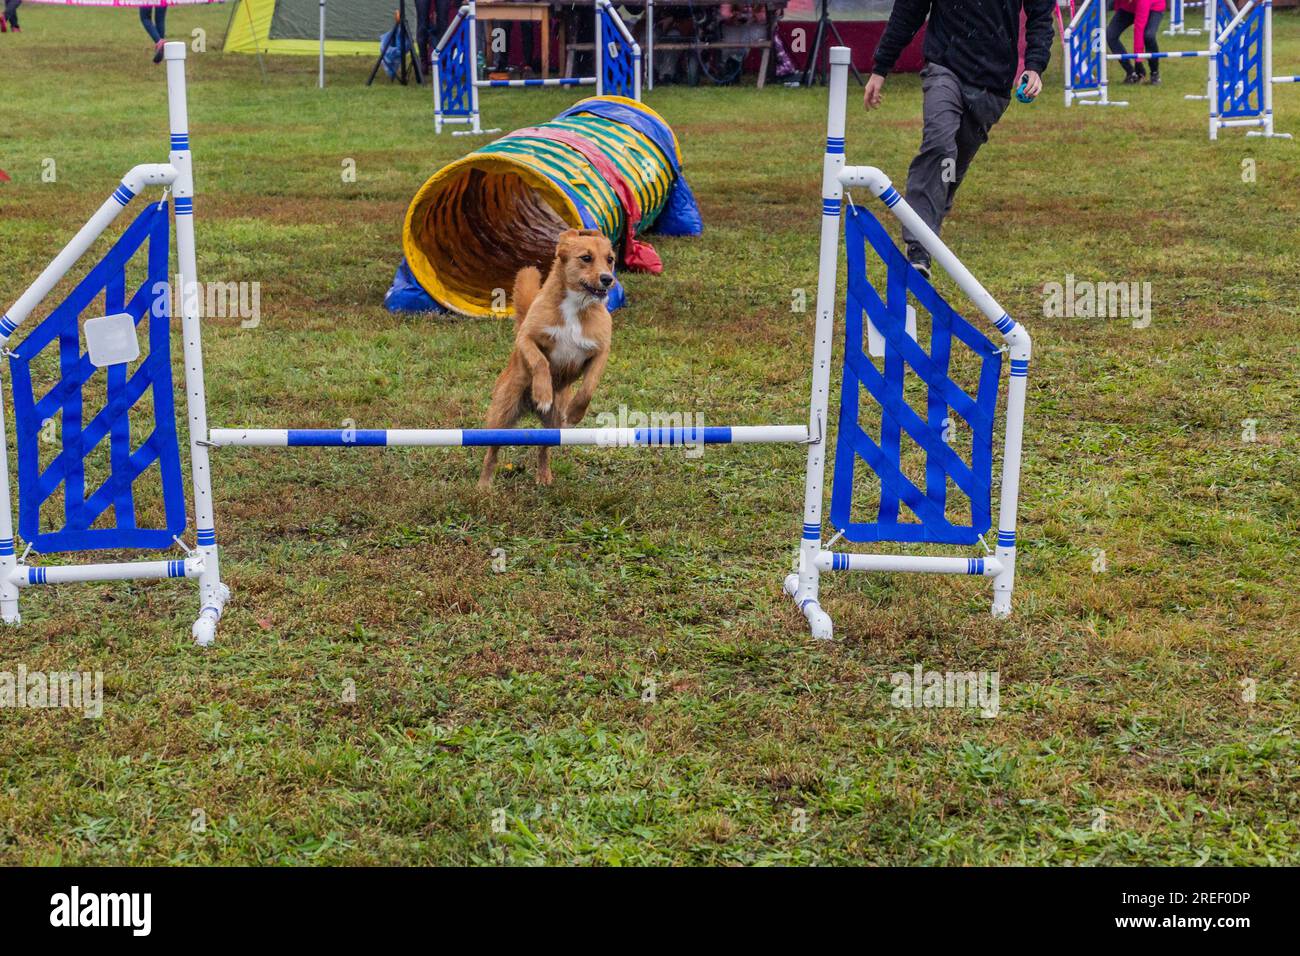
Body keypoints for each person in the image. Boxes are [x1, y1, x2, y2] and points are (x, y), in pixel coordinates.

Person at [863, 0, 1055, 277]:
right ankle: (919, 245)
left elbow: (1041, 15)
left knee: (950, 170)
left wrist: (1035, 65)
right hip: (945, 68)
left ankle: (929, 220)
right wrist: (881, 68)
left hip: (993, 82)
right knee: (939, 146)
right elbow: (909, 9)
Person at [1108, 0, 1166, 85]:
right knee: (1110, 35)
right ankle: (1131, 73)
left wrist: (1138, 60)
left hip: (1154, 7)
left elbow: (1139, 28)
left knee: (1148, 36)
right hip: (1129, 7)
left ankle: (1154, 73)